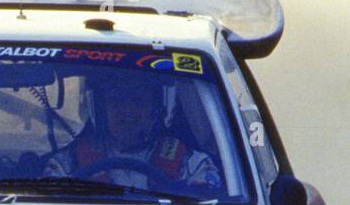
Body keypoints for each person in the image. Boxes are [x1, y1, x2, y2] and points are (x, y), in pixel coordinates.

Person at [41, 71, 221, 192]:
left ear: (155, 108)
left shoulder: (191, 163)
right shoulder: (68, 163)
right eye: (117, 102)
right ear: (101, 110)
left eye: (138, 101)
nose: (127, 112)